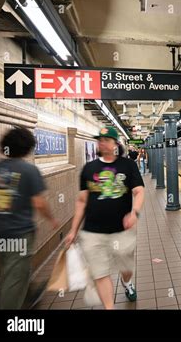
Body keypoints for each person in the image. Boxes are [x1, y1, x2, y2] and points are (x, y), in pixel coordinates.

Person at [65, 126, 144, 309]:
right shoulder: (88, 168)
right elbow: (81, 201)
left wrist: (135, 213)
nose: (102, 143)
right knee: (100, 273)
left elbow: (139, 192)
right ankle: (110, 307)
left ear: (115, 143)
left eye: (106, 140)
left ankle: (127, 282)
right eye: (100, 140)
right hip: (93, 232)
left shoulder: (128, 165)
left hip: (122, 231)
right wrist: (73, 230)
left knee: (126, 267)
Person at [0, 126, 58, 309]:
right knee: (14, 276)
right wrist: (51, 220)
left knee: (12, 268)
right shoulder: (28, 170)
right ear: (28, 147)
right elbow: (39, 203)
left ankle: (29, 294)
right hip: (18, 232)